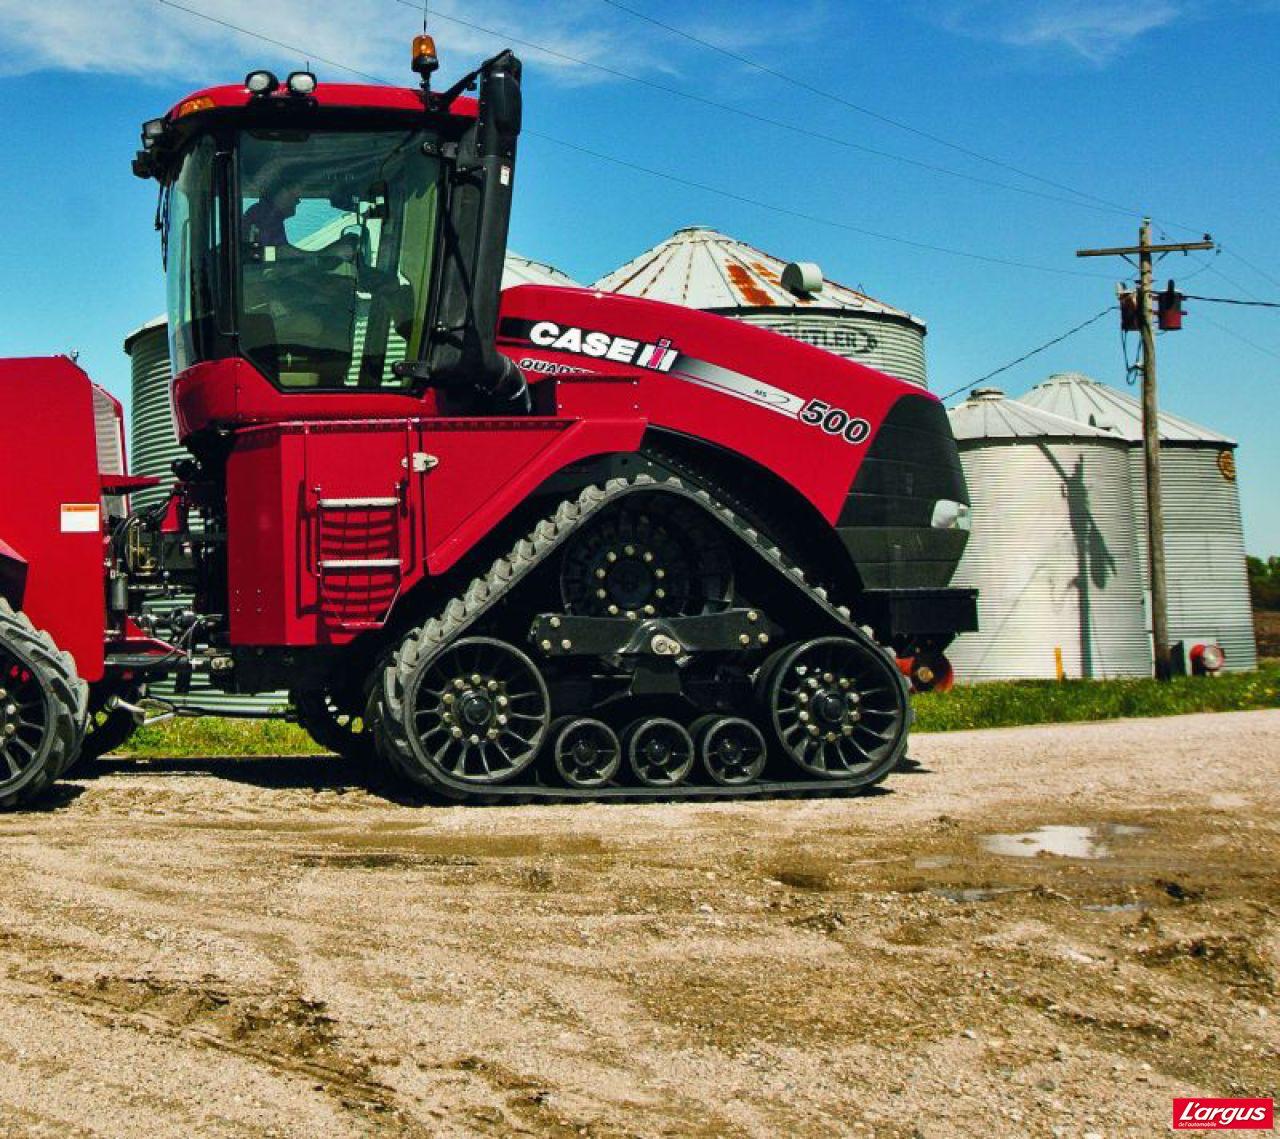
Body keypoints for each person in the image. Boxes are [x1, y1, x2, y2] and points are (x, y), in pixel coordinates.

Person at [243, 184, 302, 249]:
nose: (298, 202)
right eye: (295, 198)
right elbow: (273, 250)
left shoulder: (274, 217)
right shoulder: (265, 216)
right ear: (283, 194)